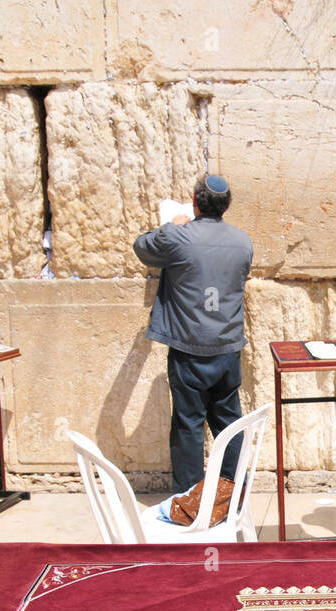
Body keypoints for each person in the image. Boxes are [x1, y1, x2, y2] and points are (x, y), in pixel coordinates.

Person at [133, 175, 254, 494]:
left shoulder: (178, 237)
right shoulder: (244, 242)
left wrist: (172, 224)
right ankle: (234, 494)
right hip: (227, 348)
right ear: (226, 206)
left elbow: (142, 248)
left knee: (188, 425)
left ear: (195, 201)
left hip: (189, 349)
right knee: (229, 423)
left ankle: (188, 501)